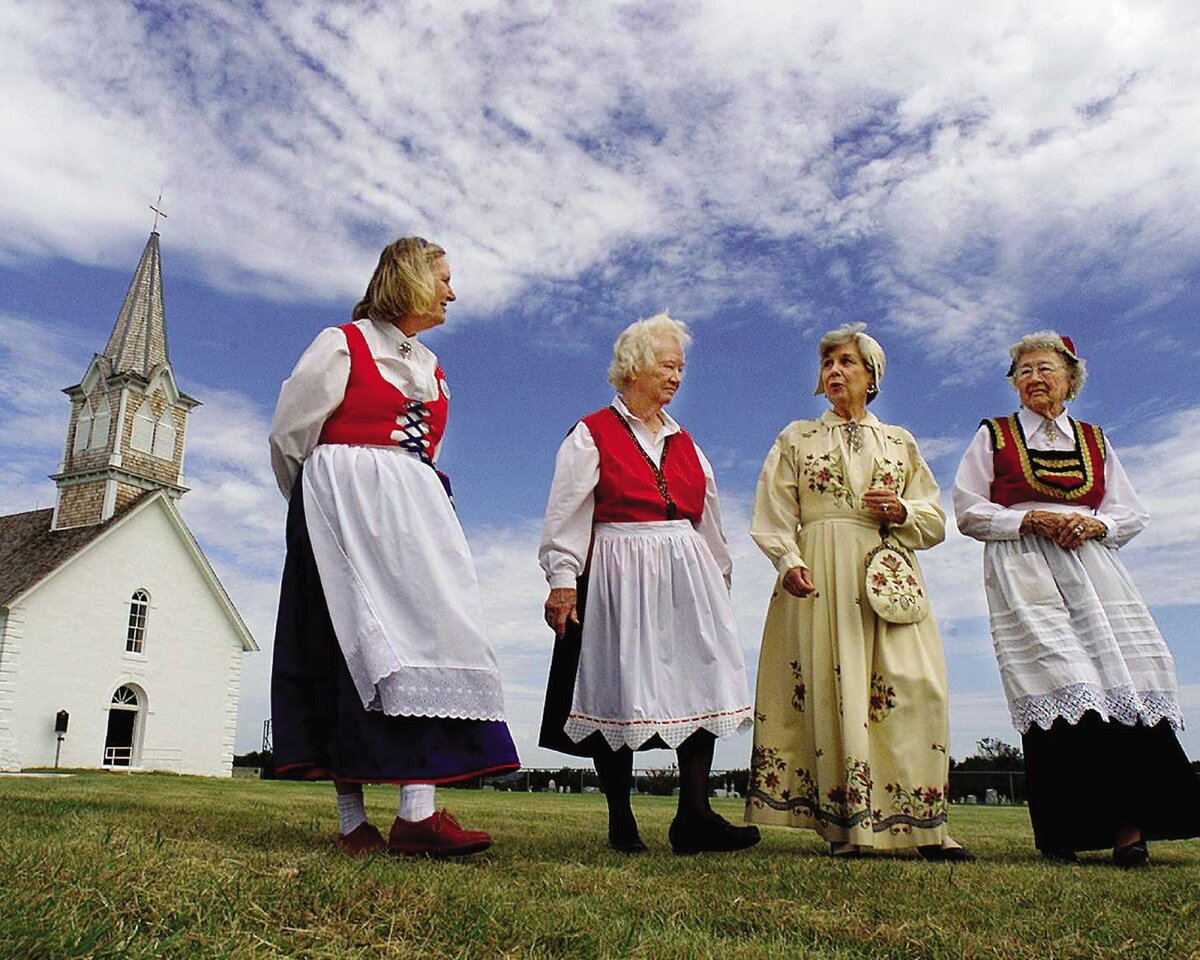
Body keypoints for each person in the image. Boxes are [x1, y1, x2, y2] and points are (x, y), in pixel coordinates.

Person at [268, 236, 518, 857]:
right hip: (343, 512)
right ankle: (354, 821)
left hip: (416, 516)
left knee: (434, 638)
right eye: (444, 278)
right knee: (342, 645)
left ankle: (417, 814)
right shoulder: (342, 344)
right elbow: (290, 435)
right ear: (408, 277)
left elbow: (423, 450)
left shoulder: (431, 366)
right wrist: (318, 507)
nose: (452, 293)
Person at [953, 331, 1199, 866]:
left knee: (1121, 680)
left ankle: (1131, 833)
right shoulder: (994, 436)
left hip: (1094, 570)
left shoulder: (1093, 439)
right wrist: (1030, 518)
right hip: (1024, 568)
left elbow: (1130, 511)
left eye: (1045, 368)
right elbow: (969, 510)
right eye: (1023, 371)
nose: (1034, 378)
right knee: (1058, 682)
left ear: (1070, 379)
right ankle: (1065, 830)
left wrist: (1093, 523)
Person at [745, 323, 972, 861]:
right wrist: (788, 560)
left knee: (914, 688)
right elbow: (773, 513)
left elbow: (935, 518)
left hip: (888, 571)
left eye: (847, 362)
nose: (834, 372)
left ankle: (924, 823)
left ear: (872, 376)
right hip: (822, 572)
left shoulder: (900, 441)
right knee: (835, 690)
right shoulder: (795, 437)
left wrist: (902, 511)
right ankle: (848, 825)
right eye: (827, 364)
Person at [538, 312, 759, 855]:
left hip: (686, 572)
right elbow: (567, 513)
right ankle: (621, 820)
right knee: (619, 682)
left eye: (681, 367)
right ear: (634, 367)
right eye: (667, 364)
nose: (677, 376)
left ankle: (695, 815)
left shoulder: (689, 445)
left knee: (702, 674)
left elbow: (709, 522)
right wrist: (563, 580)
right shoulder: (591, 433)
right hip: (617, 568)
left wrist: (719, 585)